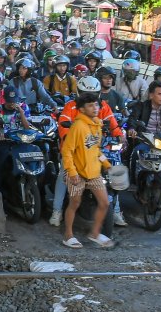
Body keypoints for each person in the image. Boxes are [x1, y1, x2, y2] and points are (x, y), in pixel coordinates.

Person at [51, 76, 126, 227]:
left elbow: (113, 123)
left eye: (93, 94)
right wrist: (68, 137)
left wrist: (119, 136)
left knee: (114, 169)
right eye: (86, 94)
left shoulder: (103, 106)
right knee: (63, 173)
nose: (90, 98)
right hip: (75, 151)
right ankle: (57, 211)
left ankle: (116, 211)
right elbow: (63, 125)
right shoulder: (70, 106)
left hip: (97, 149)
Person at [60, 94, 114, 249]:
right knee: (75, 202)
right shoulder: (77, 126)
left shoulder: (97, 125)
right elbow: (67, 151)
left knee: (104, 203)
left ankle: (95, 233)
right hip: (77, 172)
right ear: (82, 109)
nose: (95, 108)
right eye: (90, 105)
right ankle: (68, 235)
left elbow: (96, 149)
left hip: (93, 172)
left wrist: (106, 164)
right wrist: (72, 172)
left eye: (96, 105)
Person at [0, 85, 33, 188]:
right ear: (4, 99)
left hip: (21, 140)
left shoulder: (24, 107)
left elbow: (27, 127)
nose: (12, 103)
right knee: (0, 161)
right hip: (5, 140)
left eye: (14, 101)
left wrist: (21, 112)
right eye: (9, 101)